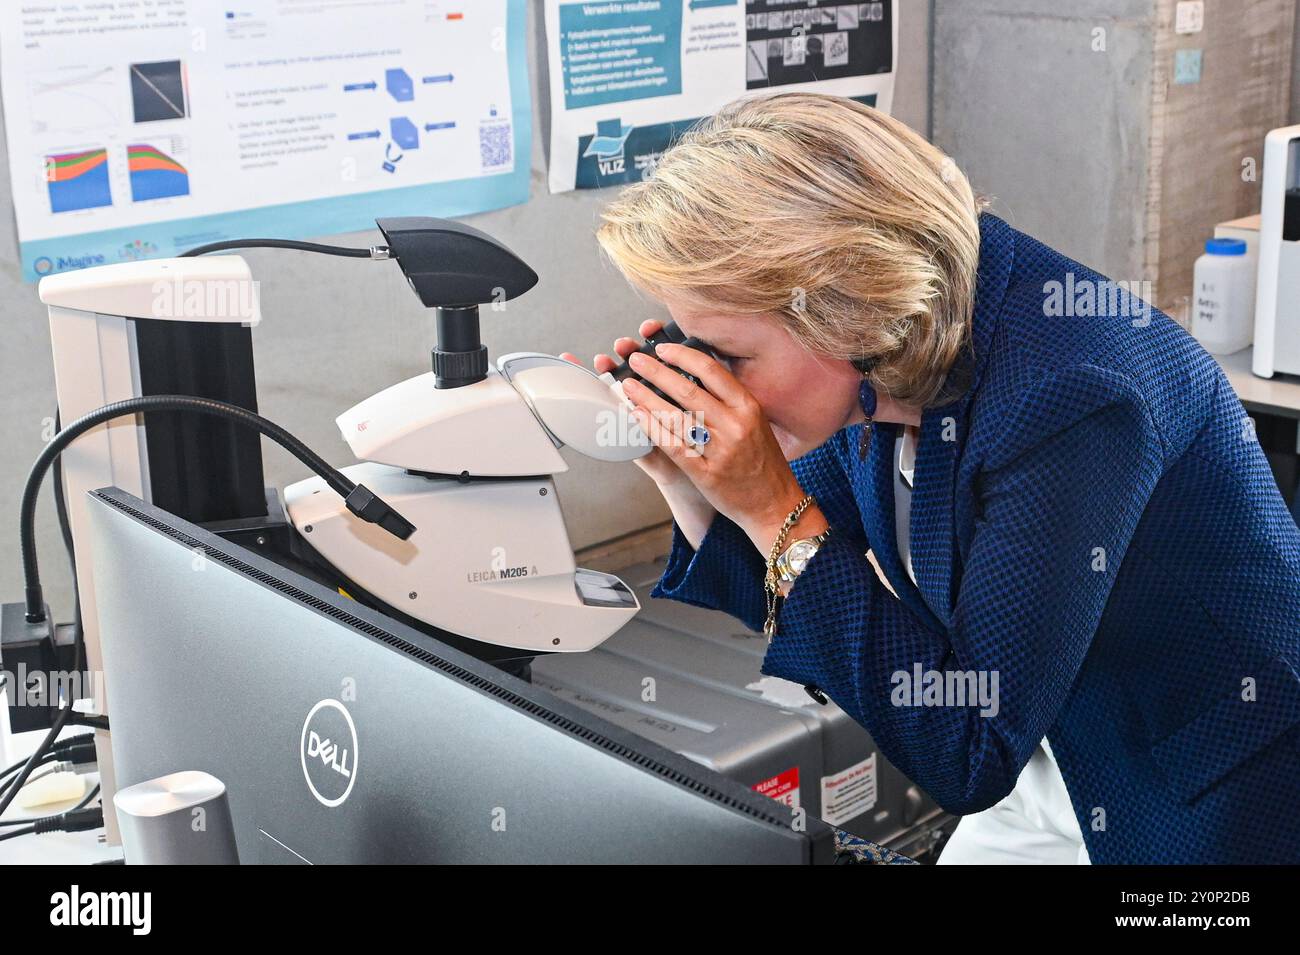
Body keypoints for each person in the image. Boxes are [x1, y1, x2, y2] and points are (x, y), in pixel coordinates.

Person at [562, 92, 1300, 865]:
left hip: (1204, 789)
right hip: (1051, 763)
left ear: (844, 305)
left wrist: (769, 496)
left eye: (731, 357)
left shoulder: (1073, 394)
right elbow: (792, 581)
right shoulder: (881, 364)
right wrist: (687, 476)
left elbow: (968, 746)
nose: (723, 387)